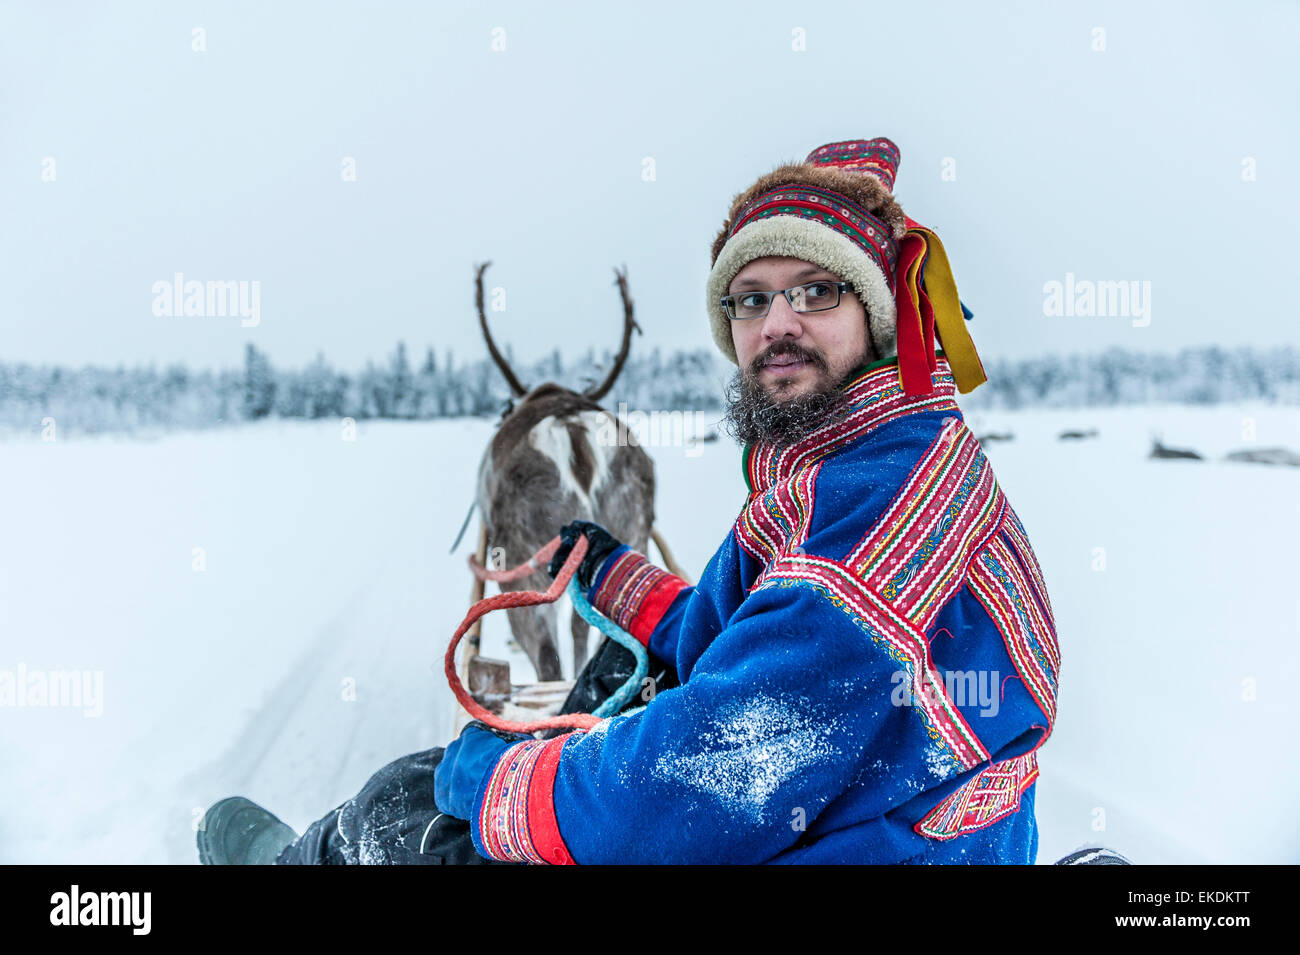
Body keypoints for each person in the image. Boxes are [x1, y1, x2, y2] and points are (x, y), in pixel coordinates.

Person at [200, 137, 1072, 865]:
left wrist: (489, 781)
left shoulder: (873, 524)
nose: (777, 323)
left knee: (423, 806)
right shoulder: (850, 463)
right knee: (616, 686)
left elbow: (681, 793)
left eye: (817, 290)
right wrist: (616, 576)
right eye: (752, 298)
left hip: (863, 841)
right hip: (879, 807)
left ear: (878, 317)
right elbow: (742, 642)